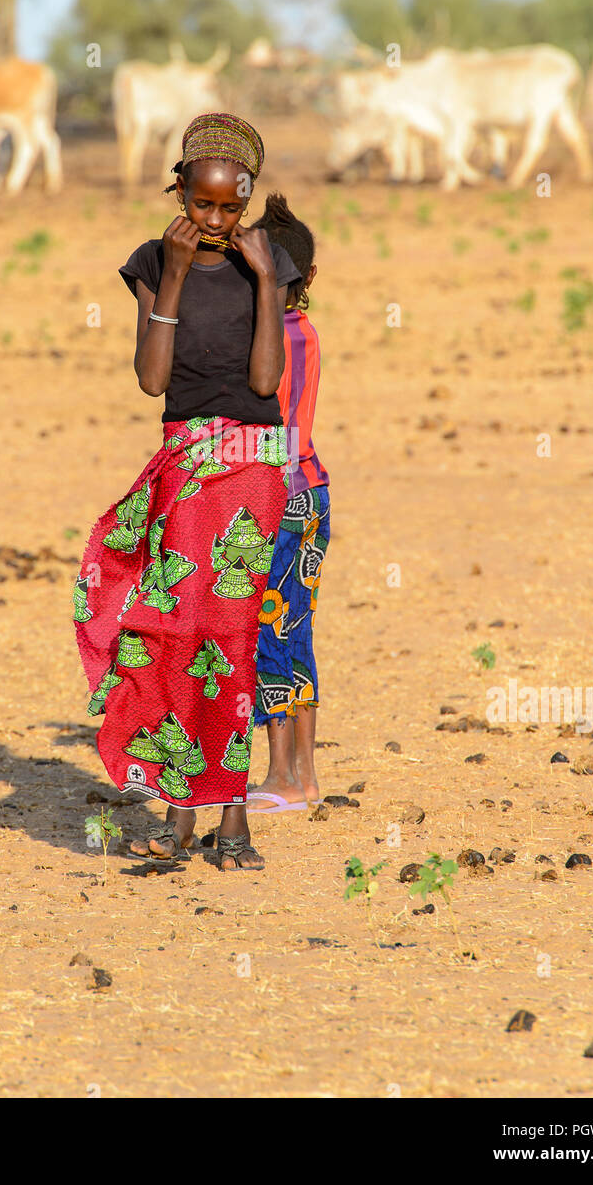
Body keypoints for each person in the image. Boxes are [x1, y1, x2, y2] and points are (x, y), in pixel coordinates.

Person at [74, 113, 302, 871]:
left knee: (232, 638)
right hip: (185, 465)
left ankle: (231, 815)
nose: (213, 222)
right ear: (178, 190)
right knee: (172, 632)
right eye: (200, 205)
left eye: (228, 209)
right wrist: (172, 274)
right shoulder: (150, 261)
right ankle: (178, 807)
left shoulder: (270, 264)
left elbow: (267, 381)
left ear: (245, 201)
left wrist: (267, 277)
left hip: (250, 473)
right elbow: (151, 379)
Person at [246, 194, 331, 812]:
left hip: (277, 500)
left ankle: (280, 776)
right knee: (293, 629)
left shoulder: (269, 339)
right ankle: (303, 775)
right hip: (313, 494)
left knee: (269, 635)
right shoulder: (308, 332)